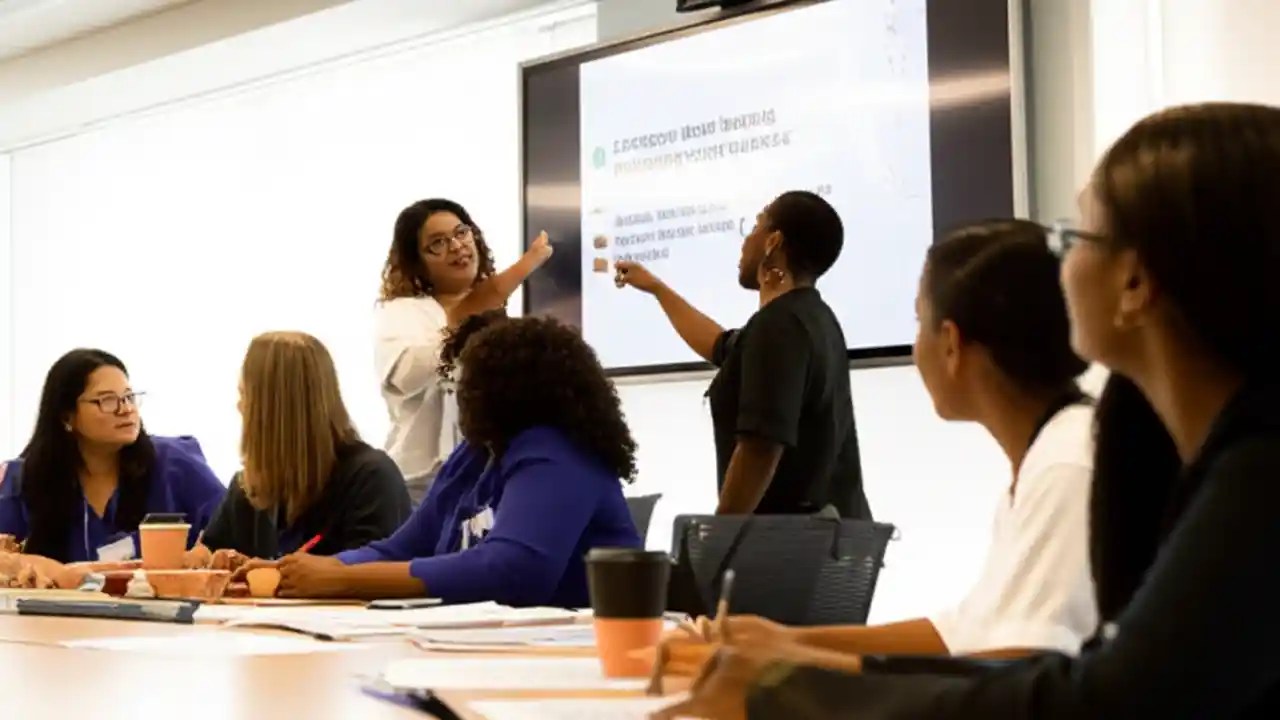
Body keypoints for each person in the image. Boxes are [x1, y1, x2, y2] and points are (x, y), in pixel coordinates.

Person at [652, 102, 1280, 719]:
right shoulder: (1148, 446)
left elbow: (1095, 694)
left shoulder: (1207, 472)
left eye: (1077, 235)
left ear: (1137, 283)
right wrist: (788, 651)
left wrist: (787, 686)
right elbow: (977, 636)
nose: (1062, 267)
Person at [662, 219, 1096, 667]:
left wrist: (792, 669)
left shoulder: (1065, 467)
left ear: (950, 342)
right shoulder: (1046, 461)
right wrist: (780, 642)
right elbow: (962, 630)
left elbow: (1025, 666)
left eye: (918, 321)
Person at [256, 312, 642, 607]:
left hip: (571, 659)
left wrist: (347, 580)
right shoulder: (476, 454)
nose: (459, 393)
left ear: (508, 387)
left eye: (466, 380)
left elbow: (514, 569)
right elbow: (401, 548)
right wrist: (302, 571)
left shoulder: (559, 452)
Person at [616, 190, 868, 518]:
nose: (745, 240)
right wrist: (657, 289)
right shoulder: (812, 319)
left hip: (784, 551)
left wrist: (719, 540)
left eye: (754, 227)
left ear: (772, 242)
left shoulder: (779, 326)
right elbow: (721, 345)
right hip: (825, 548)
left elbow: (759, 448)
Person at [376, 198, 553, 504]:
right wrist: (526, 264)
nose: (457, 247)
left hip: (486, 483)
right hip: (418, 488)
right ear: (417, 262)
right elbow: (407, 375)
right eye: (438, 244)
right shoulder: (403, 312)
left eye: (461, 233)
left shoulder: (498, 322)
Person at [183, 332, 411, 570]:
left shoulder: (370, 479)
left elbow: (374, 577)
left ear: (272, 409)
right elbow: (210, 548)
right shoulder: (249, 487)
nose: (239, 407)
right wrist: (203, 560)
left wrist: (278, 575)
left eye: (245, 396)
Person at [0, 349, 225, 563]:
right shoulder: (25, 479)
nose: (125, 409)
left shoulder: (175, 463)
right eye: (107, 400)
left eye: (129, 397)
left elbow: (231, 529)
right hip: (48, 603)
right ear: (66, 417)